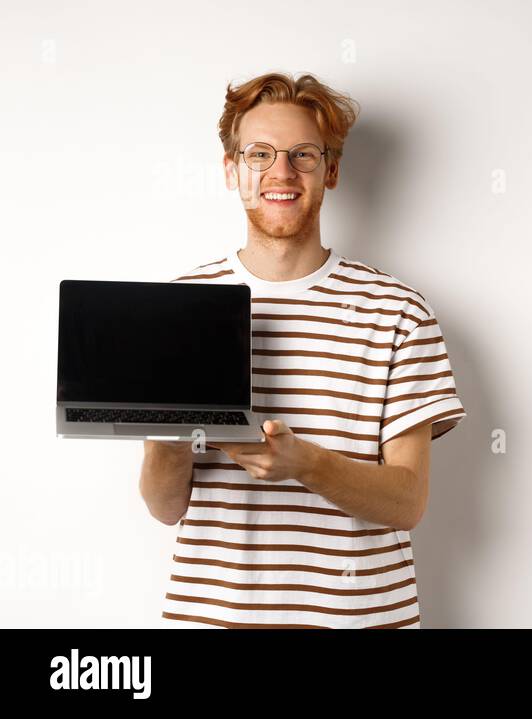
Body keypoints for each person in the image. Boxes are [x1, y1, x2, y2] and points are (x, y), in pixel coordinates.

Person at [138, 72, 466, 628]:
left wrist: (305, 463)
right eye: (259, 154)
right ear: (232, 170)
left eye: (303, 155)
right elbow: (163, 506)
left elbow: (408, 502)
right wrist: (167, 438)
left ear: (330, 170)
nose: (281, 172)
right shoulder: (178, 307)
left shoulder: (399, 312)